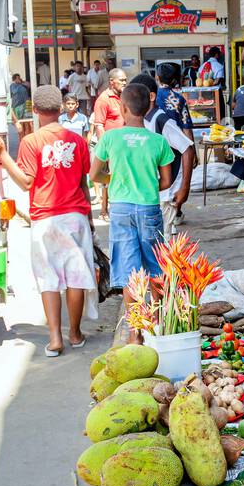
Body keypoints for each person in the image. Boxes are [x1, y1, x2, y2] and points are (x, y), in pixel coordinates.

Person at [0, 86, 96, 356]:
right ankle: (75, 333)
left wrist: (3, 155)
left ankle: (55, 338)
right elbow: (83, 183)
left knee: (49, 279)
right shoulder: (77, 141)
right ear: (61, 109)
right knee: (76, 278)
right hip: (75, 217)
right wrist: (90, 221)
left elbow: (25, 183)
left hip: (45, 218)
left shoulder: (31, 142)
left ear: (34, 110)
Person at [89, 82, 173, 334]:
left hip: (121, 210)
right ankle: (160, 324)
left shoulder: (111, 138)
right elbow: (167, 181)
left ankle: (136, 332)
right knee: (156, 267)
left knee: (129, 271)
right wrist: (146, 185)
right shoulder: (158, 141)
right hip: (149, 208)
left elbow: (95, 174)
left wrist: (113, 181)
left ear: (123, 108)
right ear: (148, 108)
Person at [131, 73, 196, 238]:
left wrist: (184, 188)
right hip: (151, 192)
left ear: (151, 96)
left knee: (163, 238)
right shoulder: (142, 120)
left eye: (136, 96)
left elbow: (187, 149)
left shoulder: (161, 119)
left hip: (166, 193)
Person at [92, 67, 127, 218]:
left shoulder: (124, 96)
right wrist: (105, 149)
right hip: (111, 148)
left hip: (125, 146)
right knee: (109, 179)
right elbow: (99, 125)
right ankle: (105, 210)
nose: (125, 83)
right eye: (122, 80)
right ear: (112, 82)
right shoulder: (103, 99)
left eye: (126, 80)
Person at [155, 62, 195, 136]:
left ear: (157, 77)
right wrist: (192, 147)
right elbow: (187, 129)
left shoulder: (151, 98)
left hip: (156, 144)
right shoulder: (179, 99)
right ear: (173, 80)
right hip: (177, 144)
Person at [197, 46, 226, 116]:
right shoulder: (219, 66)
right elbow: (218, 81)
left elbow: (199, 81)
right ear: (216, 55)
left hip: (202, 93)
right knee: (219, 113)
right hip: (215, 93)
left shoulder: (202, 66)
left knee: (205, 113)